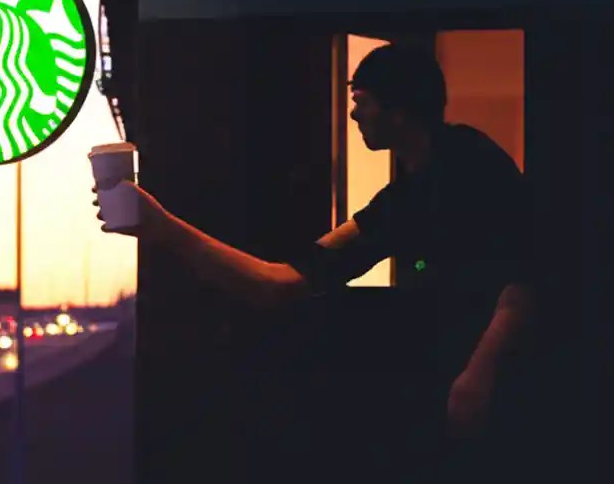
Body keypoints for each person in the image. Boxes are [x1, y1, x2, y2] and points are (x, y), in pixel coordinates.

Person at [97, 44, 539, 482]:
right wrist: (161, 227)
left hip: (508, 383)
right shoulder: (403, 196)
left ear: (400, 112)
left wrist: (481, 371)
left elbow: (526, 275)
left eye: (361, 102)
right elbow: (284, 281)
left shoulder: (468, 162)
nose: (354, 115)